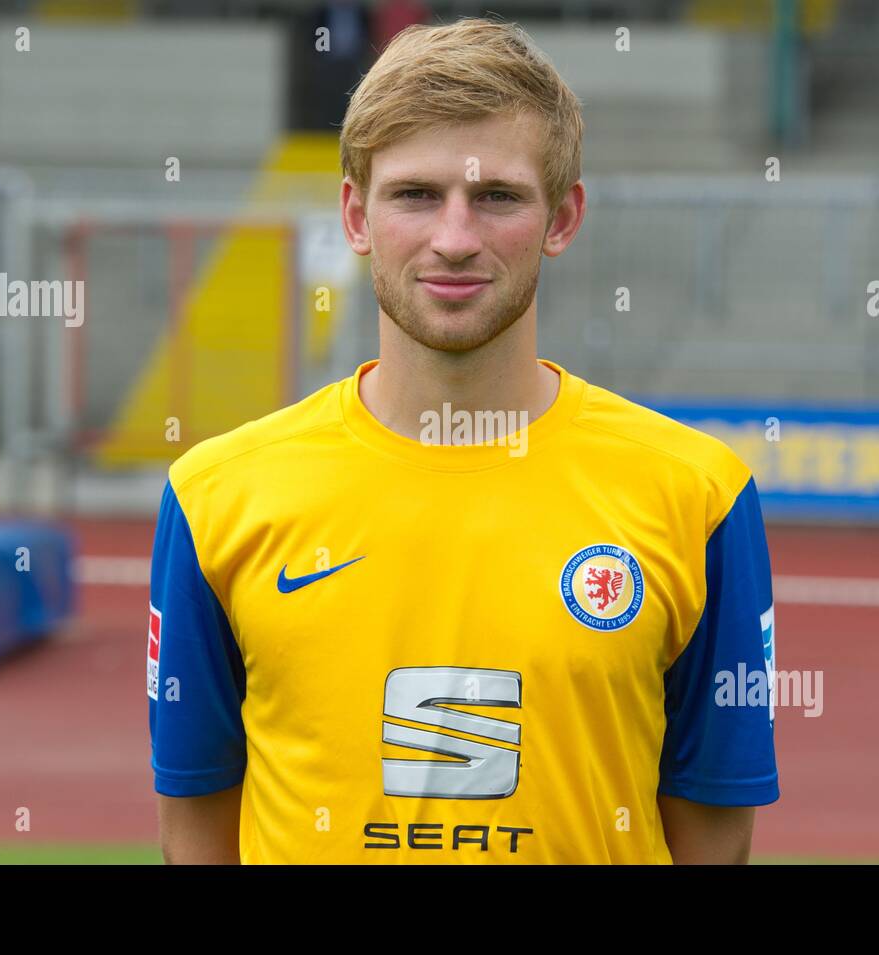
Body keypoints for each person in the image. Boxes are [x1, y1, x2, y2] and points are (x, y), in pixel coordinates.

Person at [149, 16, 778, 864]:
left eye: (498, 197)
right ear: (355, 214)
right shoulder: (214, 497)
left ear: (562, 218)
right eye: (414, 194)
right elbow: (197, 832)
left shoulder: (698, 495)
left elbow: (714, 838)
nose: (454, 238)